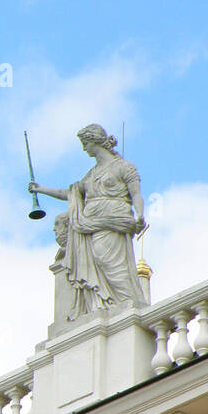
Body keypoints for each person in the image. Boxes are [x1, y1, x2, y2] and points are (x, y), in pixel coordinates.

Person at [29, 124, 146, 320]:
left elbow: (136, 194)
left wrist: (140, 214)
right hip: (92, 223)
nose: (84, 148)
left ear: (95, 141)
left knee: (113, 266)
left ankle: (128, 306)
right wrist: (41, 189)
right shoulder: (91, 174)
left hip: (114, 221)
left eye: (85, 143)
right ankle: (104, 303)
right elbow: (69, 194)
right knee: (99, 262)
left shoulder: (124, 167)